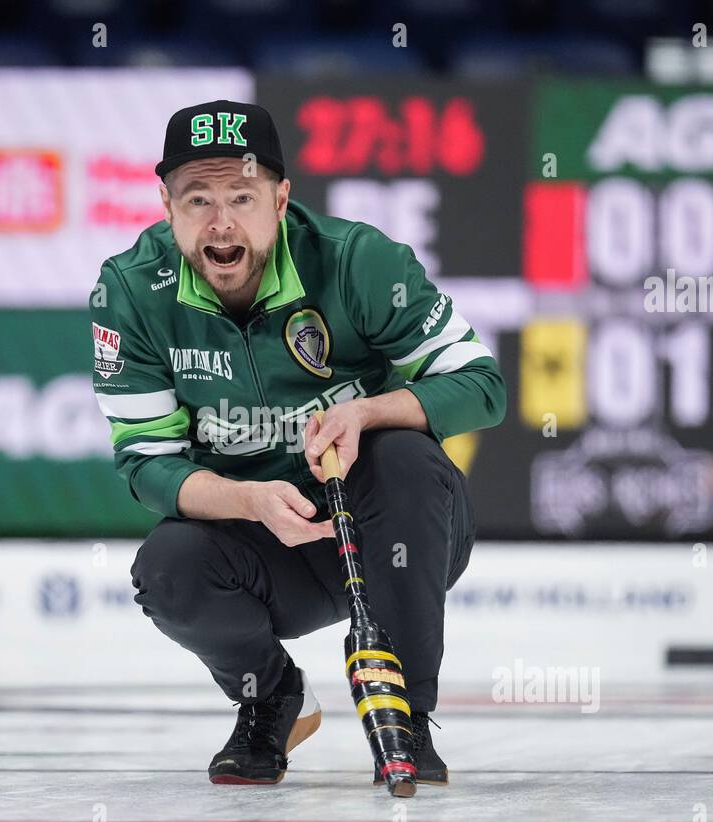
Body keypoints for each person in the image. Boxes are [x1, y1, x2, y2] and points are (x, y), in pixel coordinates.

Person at [89, 100, 506, 786]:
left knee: (401, 455)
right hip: (275, 549)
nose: (221, 223)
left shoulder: (358, 260)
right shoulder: (130, 291)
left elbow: (483, 386)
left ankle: (406, 716)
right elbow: (146, 465)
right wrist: (248, 500)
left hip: (395, 532)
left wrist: (369, 413)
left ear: (281, 200)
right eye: (197, 199)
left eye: (242, 197)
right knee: (168, 565)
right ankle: (272, 700)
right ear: (166, 205)